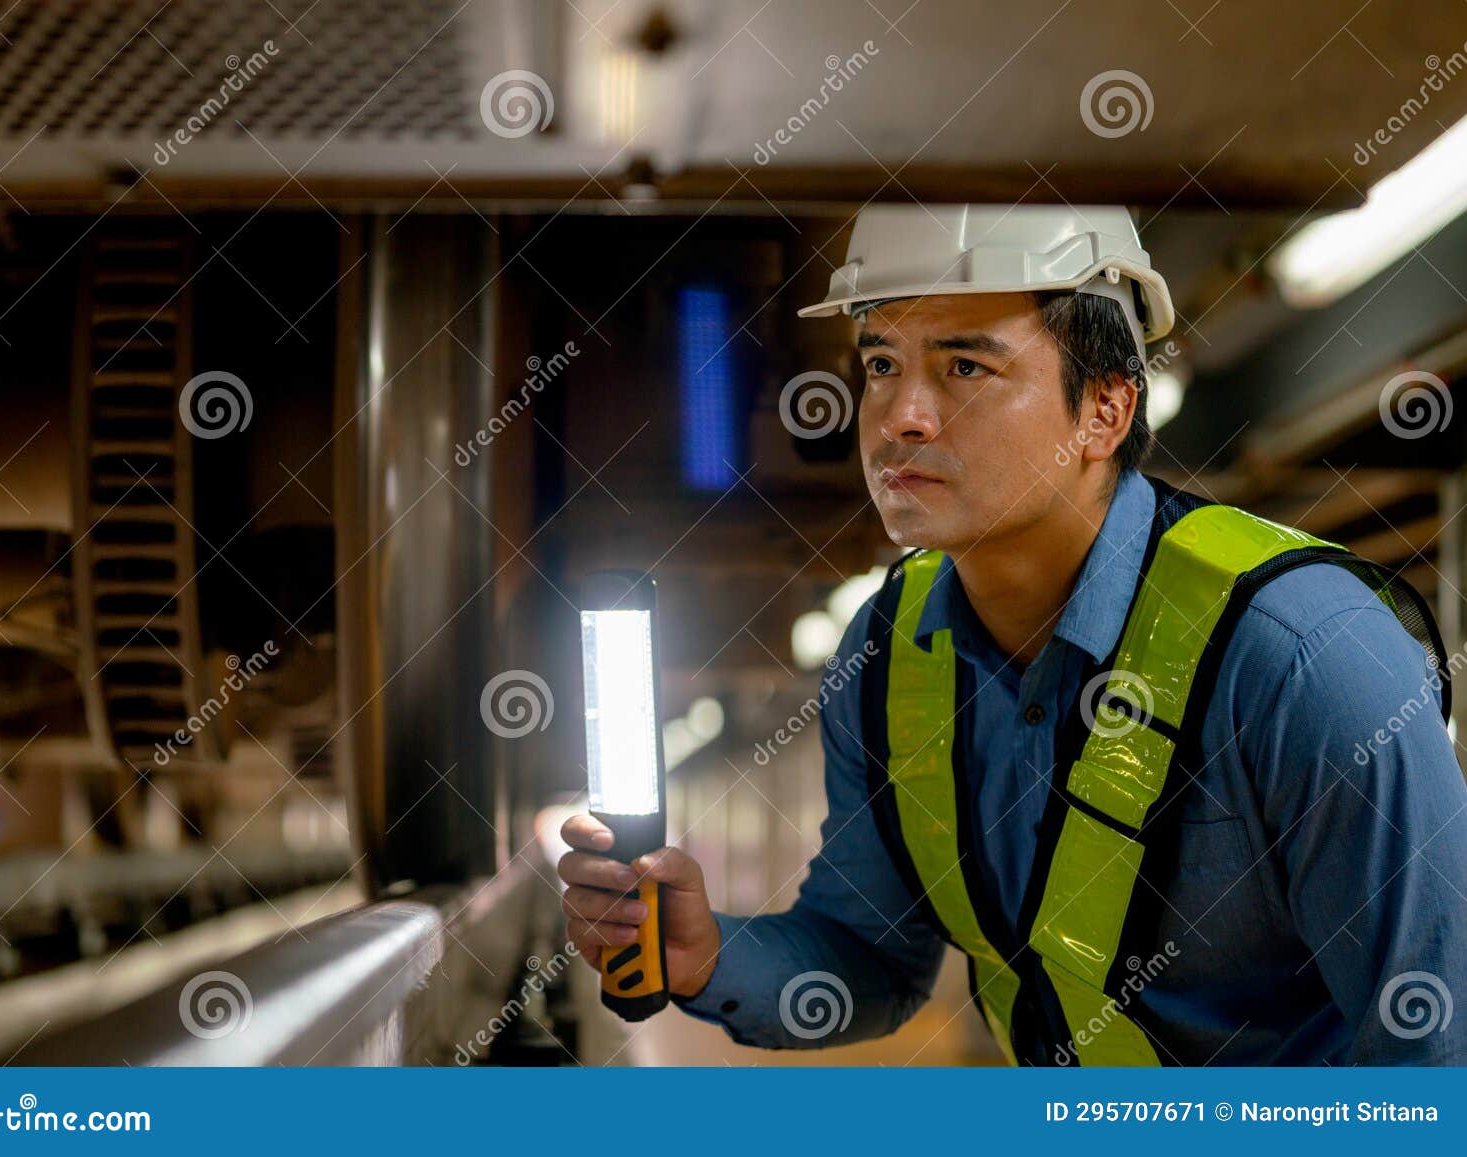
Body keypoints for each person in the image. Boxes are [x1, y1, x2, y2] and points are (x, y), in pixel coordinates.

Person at [559, 204, 1467, 1065]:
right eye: (881, 364)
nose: (901, 416)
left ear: (1104, 410)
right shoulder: (888, 652)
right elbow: (871, 955)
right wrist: (709, 954)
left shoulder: (1300, 654)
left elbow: (1434, 1052)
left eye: (965, 367)